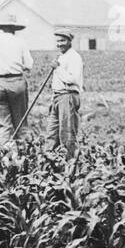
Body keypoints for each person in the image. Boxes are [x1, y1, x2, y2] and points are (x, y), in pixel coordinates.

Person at [0, 11, 33, 155]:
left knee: (2, 123)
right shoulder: (20, 42)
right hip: (17, 82)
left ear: (1, 27)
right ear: (14, 28)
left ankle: (8, 157)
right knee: (20, 121)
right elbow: (28, 65)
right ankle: (23, 157)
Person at [47, 28, 83, 160]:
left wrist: (58, 68)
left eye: (62, 40)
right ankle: (48, 162)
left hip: (68, 96)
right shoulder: (62, 57)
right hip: (58, 97)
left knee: (67, 132)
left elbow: (71, 79)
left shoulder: (74, 57)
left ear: (69, 41)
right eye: (57, 41)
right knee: (52, 132)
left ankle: (71, 162)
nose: (59, 44)